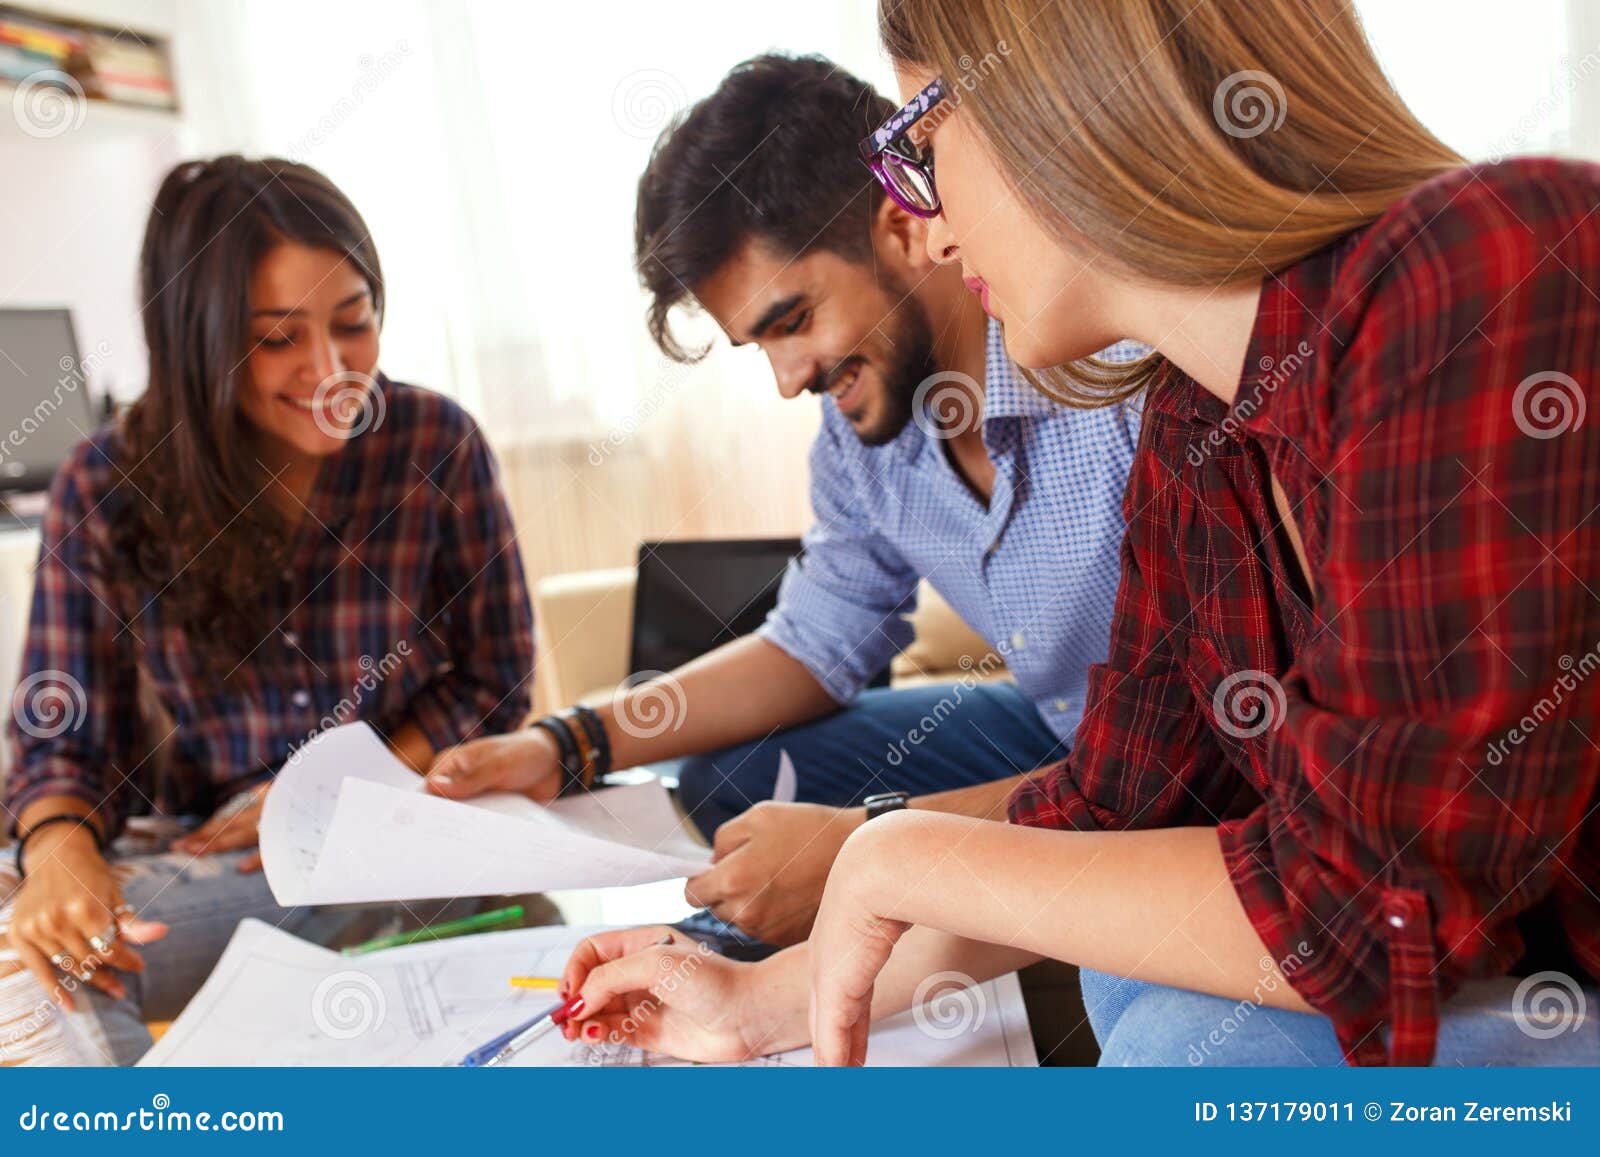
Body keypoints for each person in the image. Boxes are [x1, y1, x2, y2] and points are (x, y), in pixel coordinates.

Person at [551, 0, 1600, 1067]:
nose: (931, 224)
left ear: (1058, 91)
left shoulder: (1483, 256)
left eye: (921, 148)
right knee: (1144, 985)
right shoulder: (1192, 422)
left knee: (1185, 1034)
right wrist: (757, 1000)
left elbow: (1371, 913)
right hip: (1473, 954)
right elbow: (1114, 809)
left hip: (1548, 959)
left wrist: (889, 848)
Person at [425, 54, 1143, 948]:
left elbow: (1189, 760)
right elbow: (814, 643)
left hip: (1174, 754)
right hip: (1061, 728)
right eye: (758, 346)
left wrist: (873, 843)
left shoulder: (1115, 368)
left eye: (793, 320)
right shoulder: (861, 432)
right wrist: (564, 744)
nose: (788, 379)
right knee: (731, 776)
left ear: (902, 223)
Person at [2, 156, 536, 1065]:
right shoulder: (106, 483)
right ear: (197, 343)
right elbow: (64, 735)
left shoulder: (434, 443)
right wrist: (56, 853)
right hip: (210, 857)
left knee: (40, 970)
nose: (331, 371)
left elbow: (497, 680)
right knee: (36, 949)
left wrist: (330, 786)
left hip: (385, 833)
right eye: (278, 338)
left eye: (353, 322)